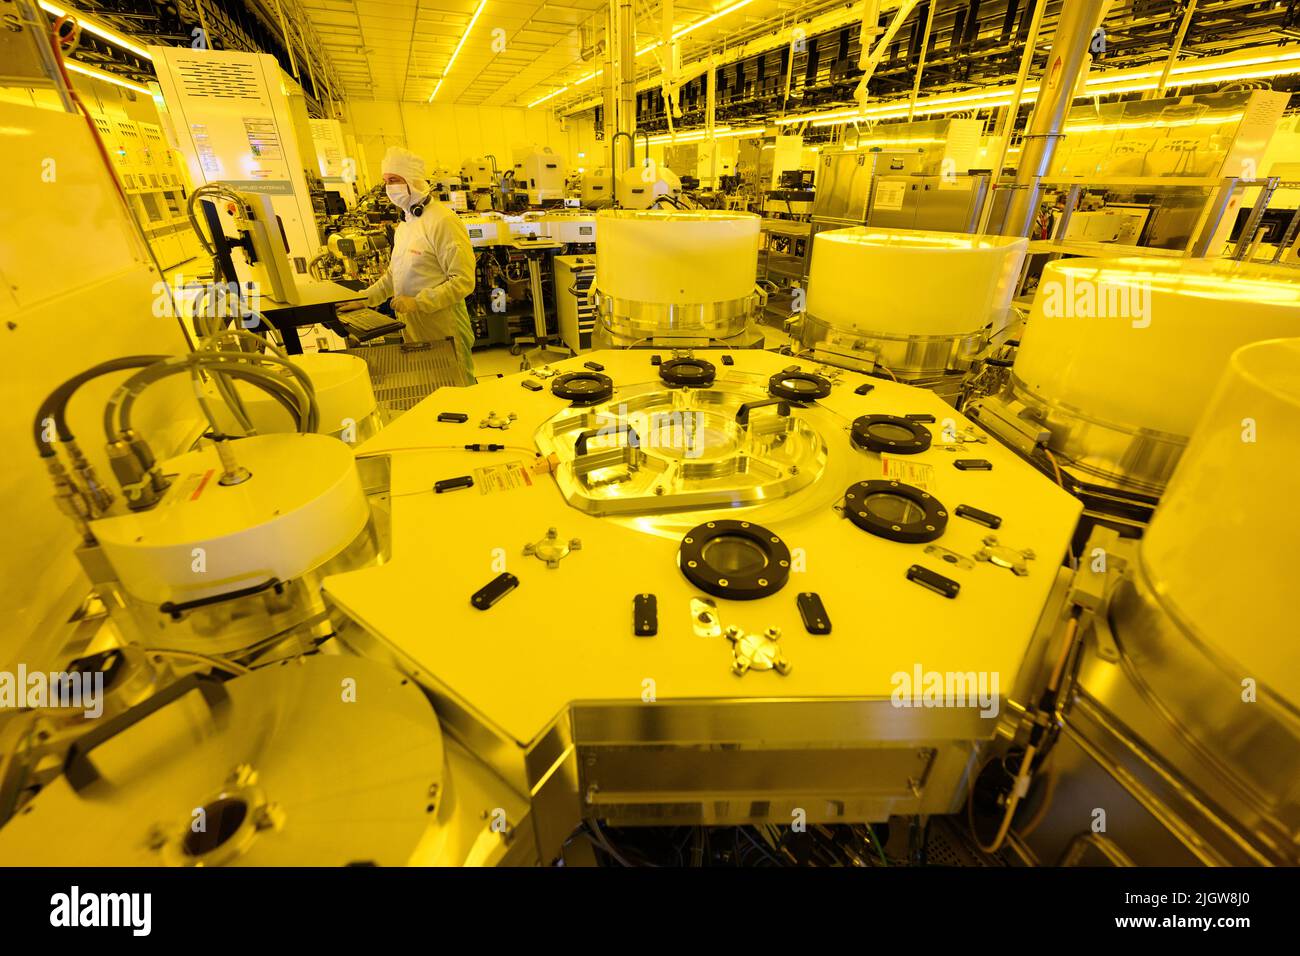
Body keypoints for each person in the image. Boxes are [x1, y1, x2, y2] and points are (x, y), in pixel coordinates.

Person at [343, 146, 477, 380]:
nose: (389, 188)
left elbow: (463, 282)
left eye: (394, 179)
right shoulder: (405, 224)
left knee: (458, 388)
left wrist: (418, 302)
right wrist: (365, 299)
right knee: (428, 386)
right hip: (412, 324)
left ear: (413, 180)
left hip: (443, 324)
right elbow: (393, 276)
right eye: (385, 181)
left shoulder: (443, 221)